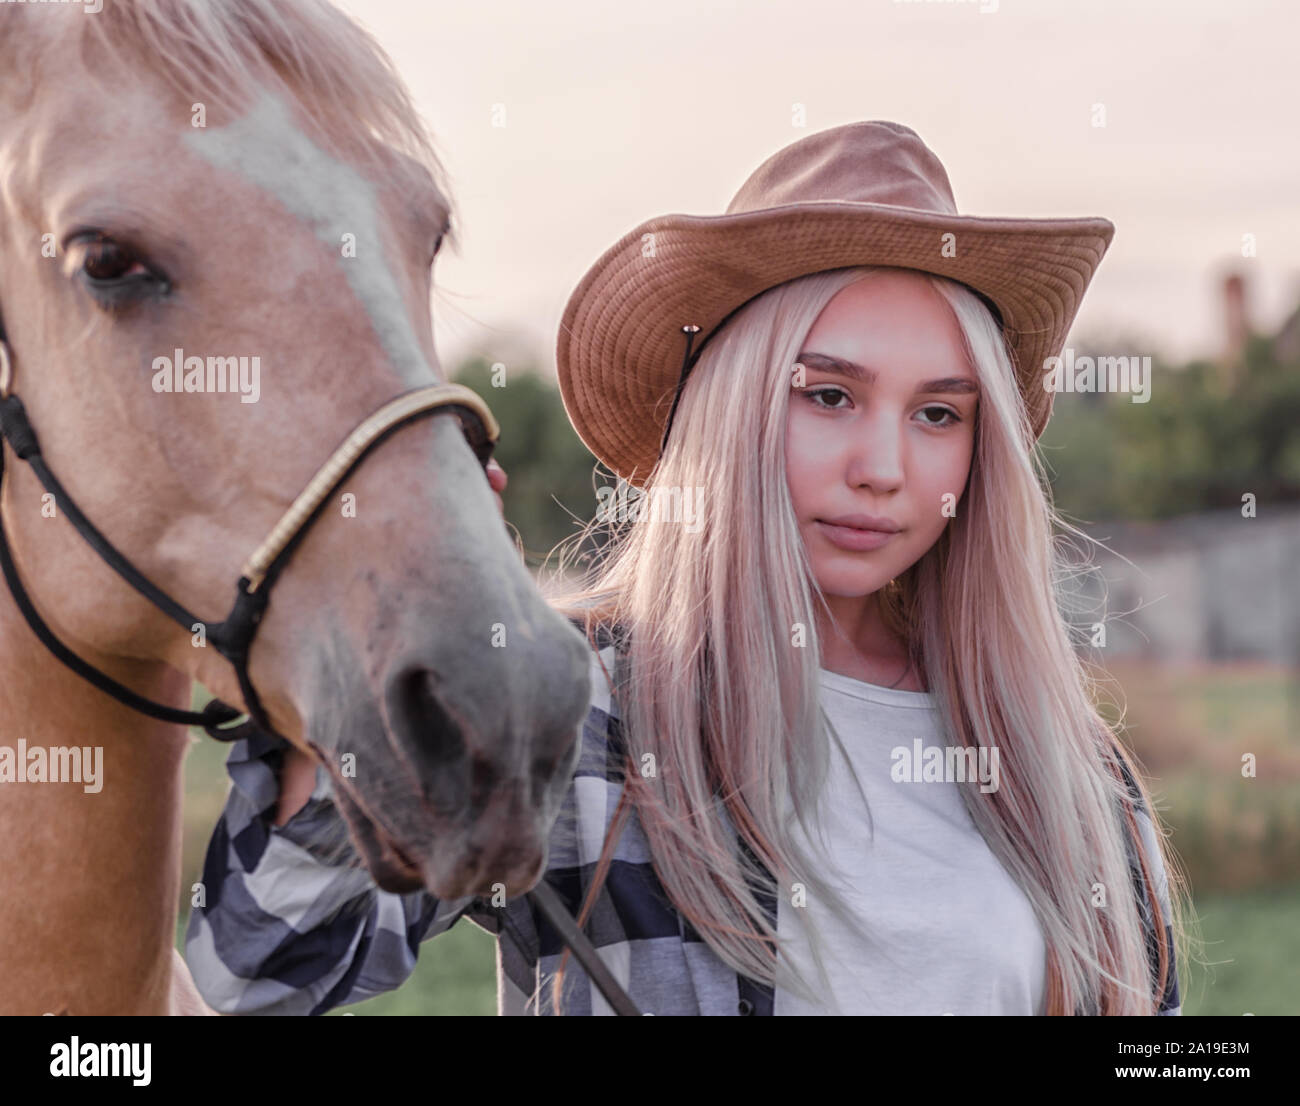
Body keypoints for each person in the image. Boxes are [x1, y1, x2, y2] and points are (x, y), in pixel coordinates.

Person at [185, 120, 1186, 1016]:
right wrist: (377, 615)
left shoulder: (1072, 772)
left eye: (937, 412)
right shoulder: (584, 713)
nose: (883, 468)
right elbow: (249, 974)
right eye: (827, 396)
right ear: (734, 408)